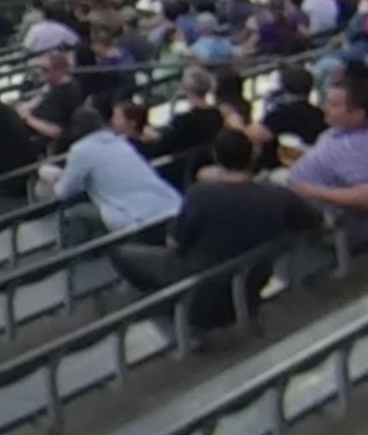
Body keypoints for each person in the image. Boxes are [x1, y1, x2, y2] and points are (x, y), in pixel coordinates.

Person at [111, 129, 319, 330]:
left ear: (216, 157)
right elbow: (314, 221)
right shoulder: (278, 196)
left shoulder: (200, 195)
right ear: (253, 156)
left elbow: (174, 243)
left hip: (200, 292)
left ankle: (160, 309)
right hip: (251, 287)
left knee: (121, 253)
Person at [286, 76, 368, 242]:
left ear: (357, 114)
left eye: (334, 105)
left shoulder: (353, 149)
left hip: (322, 217)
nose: (324, 108)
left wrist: (312, 191)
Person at [55, 98, 182, 238]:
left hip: (135, 219)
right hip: (171, 206)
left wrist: (56, 179)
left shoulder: (80, 150)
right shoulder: (121, 142)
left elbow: (63, 192)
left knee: (74, 213)